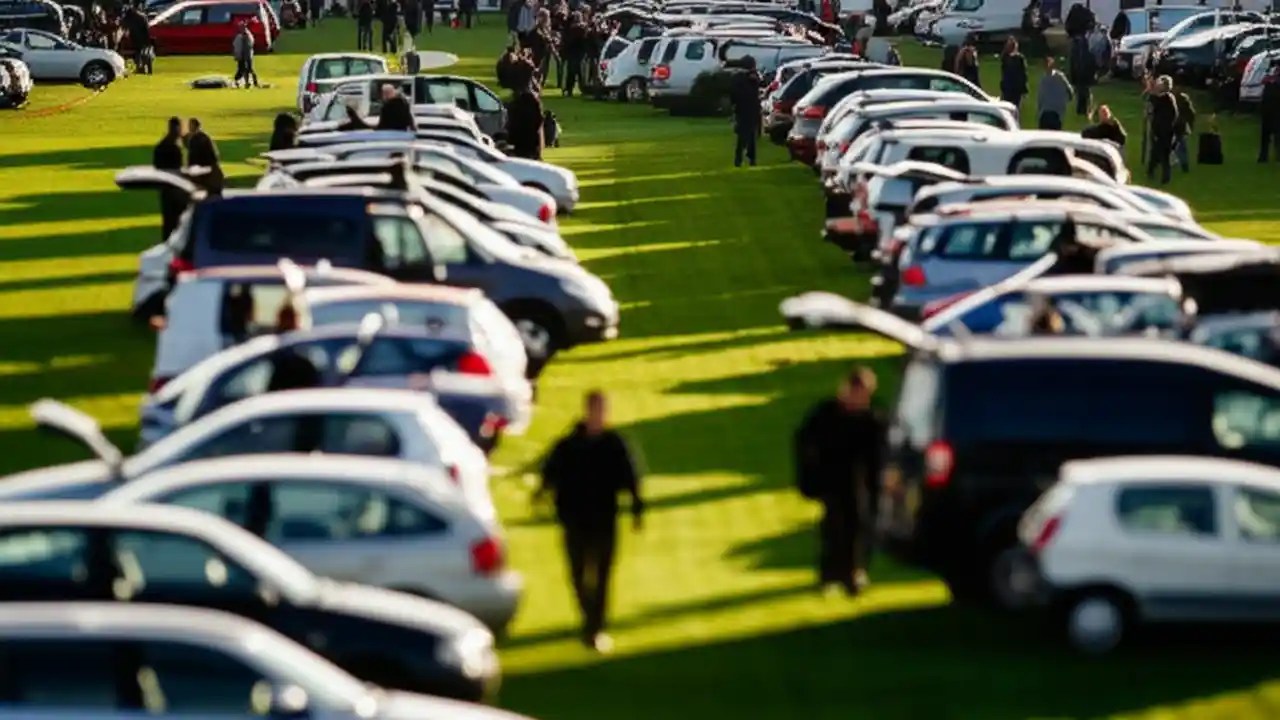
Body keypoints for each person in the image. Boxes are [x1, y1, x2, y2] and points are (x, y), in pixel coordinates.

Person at [539, 390, 644, 653]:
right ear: (587, 410)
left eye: (602, 410)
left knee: (602, 574)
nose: (598, 415)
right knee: (577, 573)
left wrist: (636, 507)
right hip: (574, 519)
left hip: (604, 518)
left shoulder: (614, 444)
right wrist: (541, 492)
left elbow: (631, 477)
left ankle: (595, 626)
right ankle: (589, 617)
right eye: (594, 409)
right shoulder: (569, 445)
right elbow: (551, 471)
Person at [795, 368, 885, 596]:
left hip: (859, 480)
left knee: (858, 524)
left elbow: (879, 452)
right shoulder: (826, 414)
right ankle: (831, 574)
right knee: (834, 526)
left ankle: (854, 572)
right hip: (831, 477)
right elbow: (805, 442)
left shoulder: (871, 419)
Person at [152, 116, 185, 240]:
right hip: (175, 188)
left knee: (168, 220)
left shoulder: (161, 145)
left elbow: (156, 166)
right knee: (176, 220)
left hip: (165, 187)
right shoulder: (174, 147)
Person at [1146, 74, 1178, 185]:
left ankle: (1165, 177)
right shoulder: (1165, 97)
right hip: (1160, 129)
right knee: (1156, 153)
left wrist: (1150, 90)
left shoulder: (1167, 98)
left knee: (1163, 155)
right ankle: (1151, 172)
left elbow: (1155, 101)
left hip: (1164, 131)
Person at [730, 56, 761, 167]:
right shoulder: (748, 78)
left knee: (745, 135)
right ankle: (746, 158)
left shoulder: (738, 78)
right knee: (748, 135)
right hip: (749, 109)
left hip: (743, 109)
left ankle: (744, 158)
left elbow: (734, 94)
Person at [184, 118, 224, 196]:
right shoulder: (205, 137)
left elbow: (193, 158)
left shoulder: (195, 139)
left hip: (206, 175)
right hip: (212, 173)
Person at [507, 84, 545, 159]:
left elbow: (511, 123)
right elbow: (539, 121)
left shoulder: (516, 104)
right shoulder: (534, 103)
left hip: (519, 142)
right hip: (532, 142)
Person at [1036, 57, 1073, 130]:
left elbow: (1040, 99)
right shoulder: (1060, 77)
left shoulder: (1043, 80)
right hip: (1056, 113)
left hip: (1045, 113)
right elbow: (1070, 92)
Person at [999, 36, 1028, 117]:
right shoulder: (1006, 58)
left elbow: (1023, 74)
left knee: (1014, 109)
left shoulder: (1019, 58)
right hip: (1008, 88)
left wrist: (1024, 88)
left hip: (1015, 89)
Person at [1171, 81, 1195, 172]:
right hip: (1178, 124)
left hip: (1177, 125)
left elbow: (1191, 113)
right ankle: (1182, 163)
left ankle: (1182, 163)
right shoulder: (1182, 98)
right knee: (1180, 145)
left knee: (1179, 145)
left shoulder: (1178, 98)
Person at [560, 12, 587, 96]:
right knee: (577, 72)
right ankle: (575, 89)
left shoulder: (573, 29)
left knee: (575, 72)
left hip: (576, 52)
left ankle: (570, 89)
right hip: (575, 52)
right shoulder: (577, 28)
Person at [1068, 34, 1095, 116]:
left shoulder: (1076, 54)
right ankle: (1085, 109)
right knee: (1084, 93)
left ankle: (1081, 109)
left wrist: (1072, 78)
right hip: (1085, 77)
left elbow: (1072, 66)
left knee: (1081, 93)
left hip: (1079, 76)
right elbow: (1092, 66)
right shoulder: (1089, 55)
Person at [1260, 64, 1280, 162]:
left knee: (1277, 133)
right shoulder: (1269, 78)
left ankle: (1276, 155)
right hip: (1268, 108)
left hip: (1275, 108)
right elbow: (1263, 81)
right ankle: (1264, 155)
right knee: (1266, 133)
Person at [232, 23, 258, 88]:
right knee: (244, 69)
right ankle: (246, 82)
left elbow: (247, 46)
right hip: (244, 56)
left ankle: (249, 82)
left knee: (247, 69)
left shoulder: (246, 36)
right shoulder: (242, 36)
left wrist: (239, 55)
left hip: (245, 56)